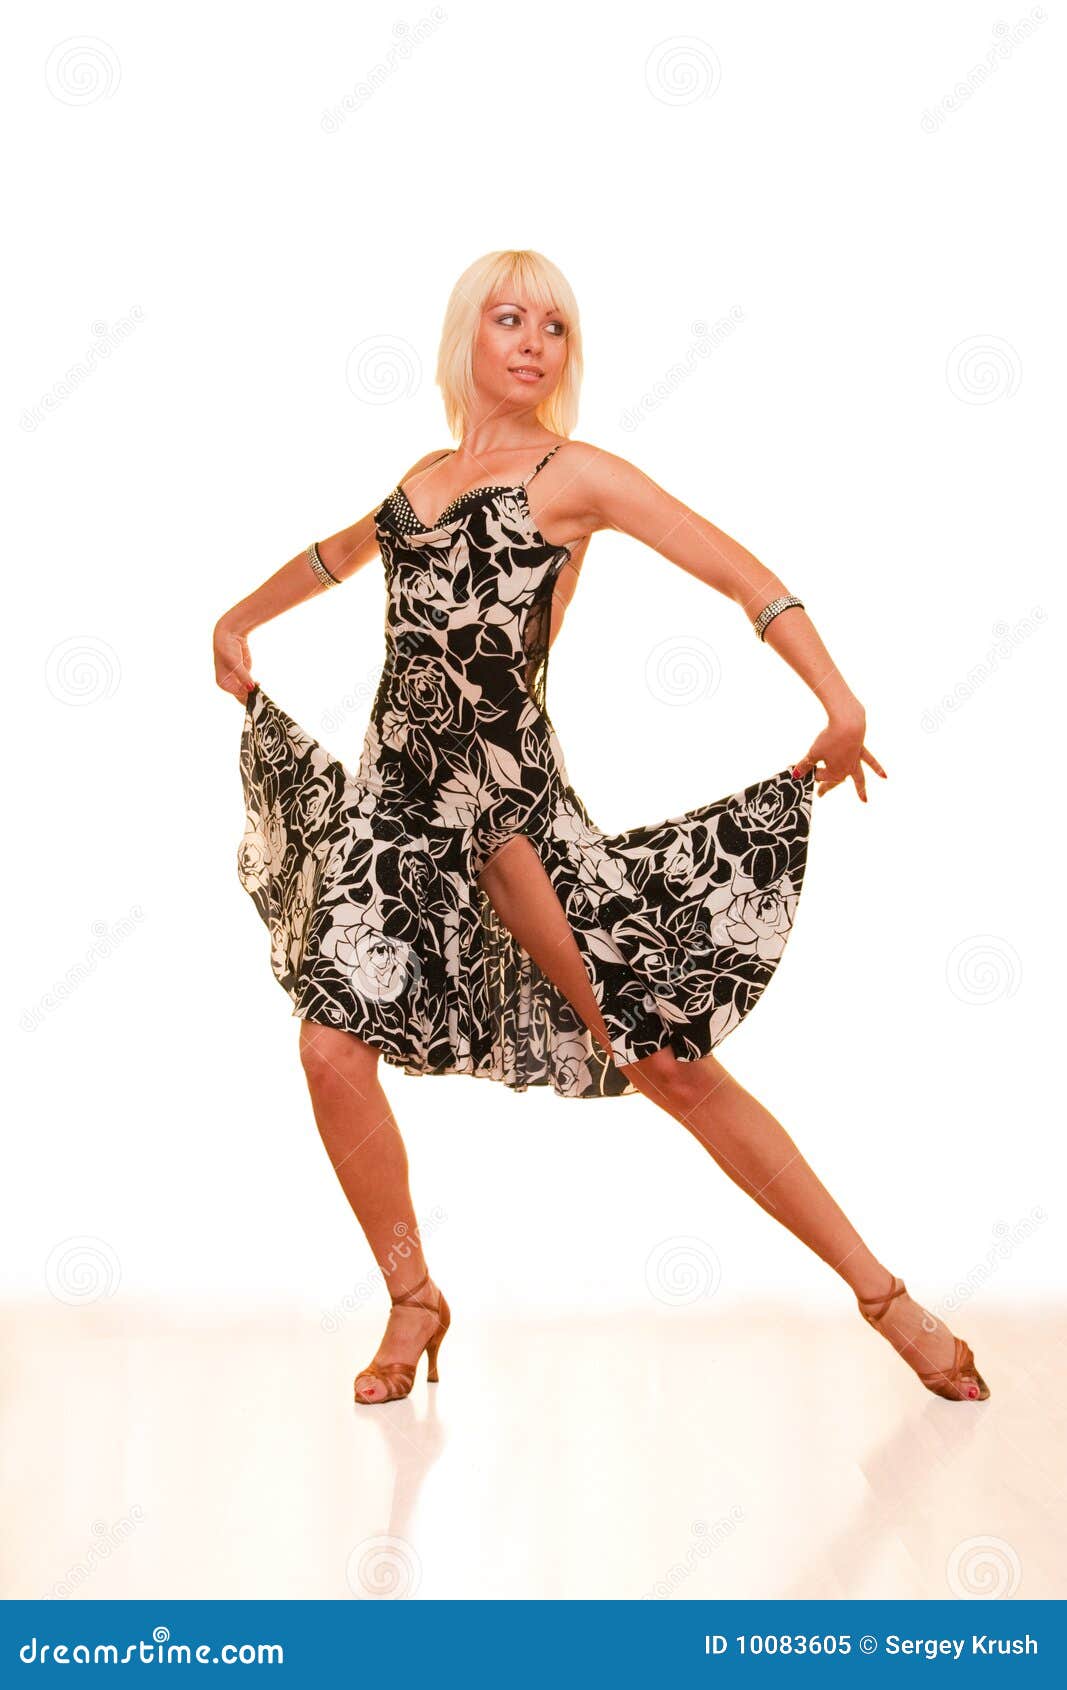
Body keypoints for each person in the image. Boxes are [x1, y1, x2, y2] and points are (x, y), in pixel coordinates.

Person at [214, 249, 989, 1408]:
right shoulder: (421, 479)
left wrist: (837, 700)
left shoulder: (573, 475)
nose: (533, 343)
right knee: (328, 1049)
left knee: (664, 1062)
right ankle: (412, 1294)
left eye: (555, 327)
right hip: (395, 816)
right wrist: (236, 619)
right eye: (508, 319)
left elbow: (737, 571)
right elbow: (339, 554)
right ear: (465, 336)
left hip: (508, 819)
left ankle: (884, 1296)